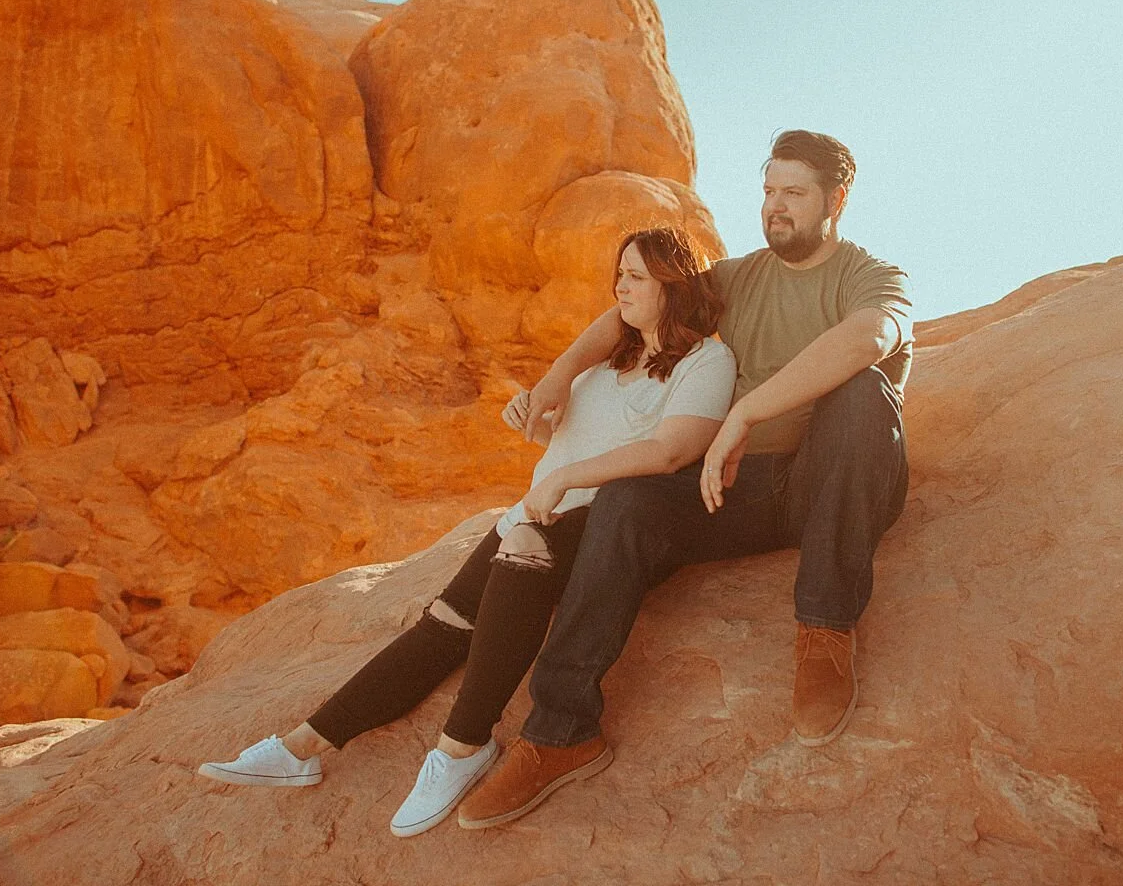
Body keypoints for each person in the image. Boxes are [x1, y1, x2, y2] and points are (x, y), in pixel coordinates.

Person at [196, 227, 736, 838]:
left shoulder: (706, 361)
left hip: (596, 524)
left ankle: (461, 748)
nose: (620, 286)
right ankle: (301, 748)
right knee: (443, 626)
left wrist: (560, 485)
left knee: (517, 561)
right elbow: (573, 437)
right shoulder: (611, 355)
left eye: (636, 275)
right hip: (537, 512)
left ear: (672, 281)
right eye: (619, 273)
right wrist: (534, 423)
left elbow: (672, 452)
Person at [457, 130, 911, 829]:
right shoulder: (739, 278)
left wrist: (746, 413)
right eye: (768, 191)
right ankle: (560, 731)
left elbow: (869, 340)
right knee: (629, 499)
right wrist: (557, 376)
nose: (775, 207)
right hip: (744, 492)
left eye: (793, 193)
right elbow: (636, 308)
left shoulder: (871, 275)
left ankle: (825, 629)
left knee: (859, 394)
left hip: (838, 481)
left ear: (836, 200)